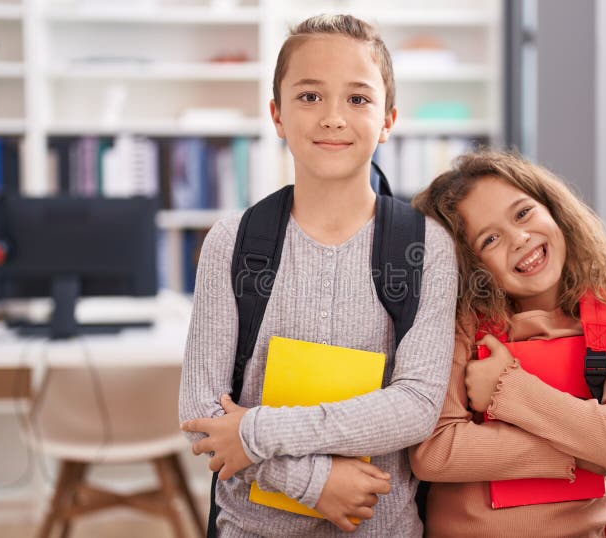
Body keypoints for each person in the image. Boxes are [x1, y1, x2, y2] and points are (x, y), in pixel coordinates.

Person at [178, 14, 459, 538]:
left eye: (357, 99)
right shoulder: (232, 243)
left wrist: (255, 431)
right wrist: (315, 481)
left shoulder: (426, 248)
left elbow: (417, 405)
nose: (333, 117)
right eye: (309, 96)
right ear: (277, 114)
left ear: (389, 119)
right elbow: (202, 412)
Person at [408, 151, 606, 537]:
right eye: (490, 239)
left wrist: (509, 388)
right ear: (468, 264)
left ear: (553, 208)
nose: (519, 238)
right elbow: (434, 453)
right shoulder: (460, 322)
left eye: (523, 213)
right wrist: (588, 451)